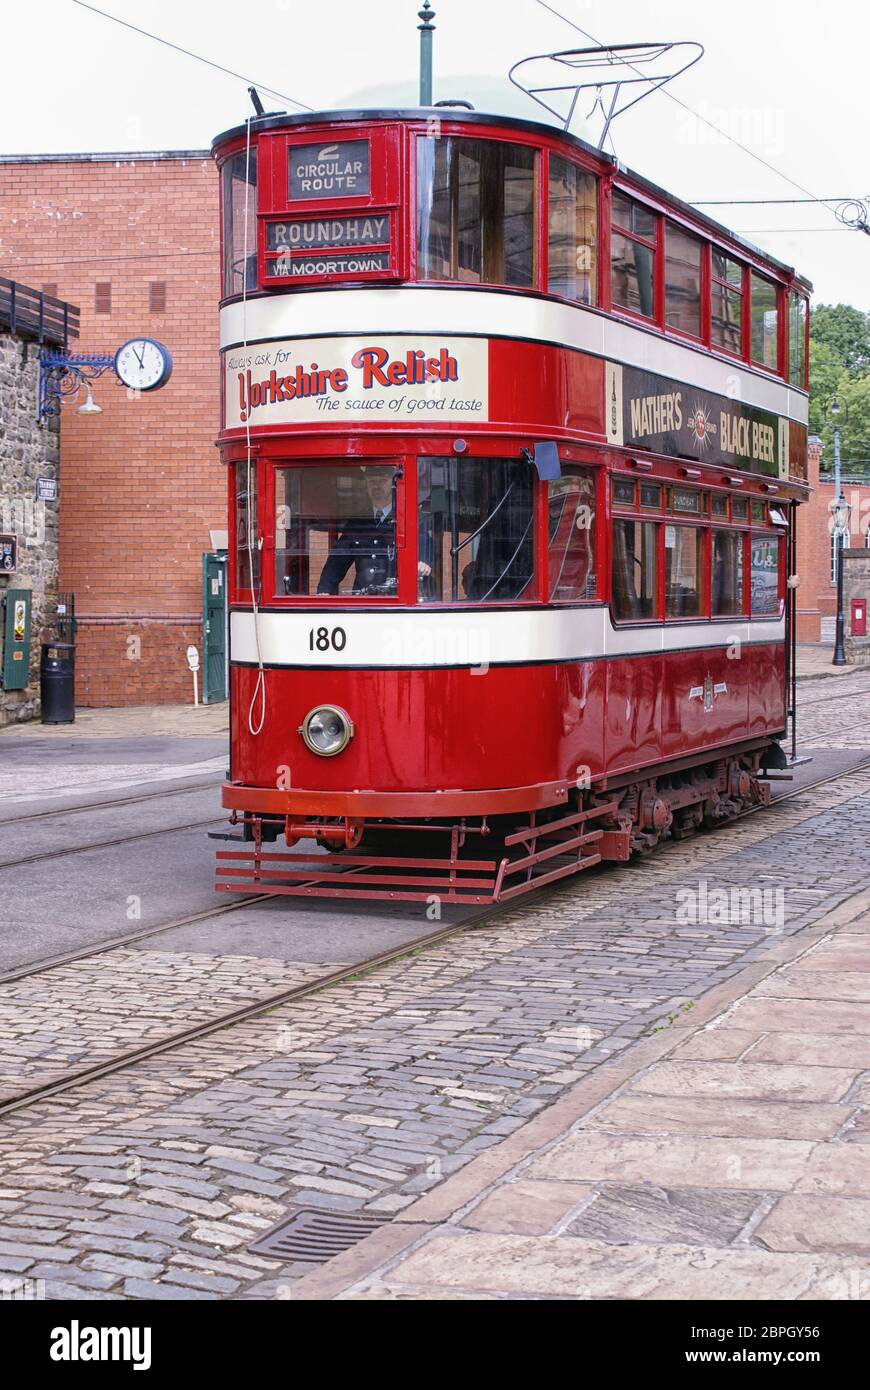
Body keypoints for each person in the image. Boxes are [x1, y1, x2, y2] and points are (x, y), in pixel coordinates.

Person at [317, 471, 432, 596]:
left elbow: (425, 546)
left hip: (394, 600)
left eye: (382, 481)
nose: (376, 485)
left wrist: (423, 563)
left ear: (393, 484)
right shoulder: (357, 522)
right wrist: (324, 592)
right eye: (372, 481)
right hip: (364, 602)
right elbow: (336, 563)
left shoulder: (405, 518)